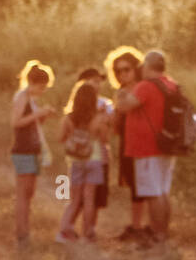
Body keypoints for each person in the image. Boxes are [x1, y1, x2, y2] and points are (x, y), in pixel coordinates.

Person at [116, 48, 178, 244]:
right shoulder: (170, 84)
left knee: (153, 194)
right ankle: (163, 232)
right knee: (162, 191)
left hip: (147, 148)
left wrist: (120, 94)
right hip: (166, 145)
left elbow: (124, 107)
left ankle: (157, 233)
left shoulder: (146, 86)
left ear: (148, 66)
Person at [103, 46, 152, 242]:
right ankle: (136, 225)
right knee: (133, 185)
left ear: (136, 68)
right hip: (127, 142)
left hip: (144, 143)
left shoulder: (144, 88)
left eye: (127, 69)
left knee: (145, 186)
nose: (122, 74)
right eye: (118, 71)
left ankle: (143, 226)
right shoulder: (121, 92)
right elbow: (116, 127)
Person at [56, 80, 112, 242]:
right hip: (94, 160)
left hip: (75, 161)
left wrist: (73, 137)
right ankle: (87, 233)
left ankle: (64, 231)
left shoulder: (68, 118)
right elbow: (105, 139)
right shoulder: (98, 118)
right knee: (89, 199)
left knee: (74, 200)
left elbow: (60, 138)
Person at [10, 60, 56, 243]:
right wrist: (38, 114)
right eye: (42, 87)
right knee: (23, 191)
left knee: (30, 191)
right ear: (34, 83)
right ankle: (22, 231)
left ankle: (25, 228)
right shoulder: (21, 97)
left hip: (34, 148)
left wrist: (42, 116)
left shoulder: (31, 100)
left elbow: (30, 123)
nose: (43, 91)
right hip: (23, 149)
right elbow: (15, 122)